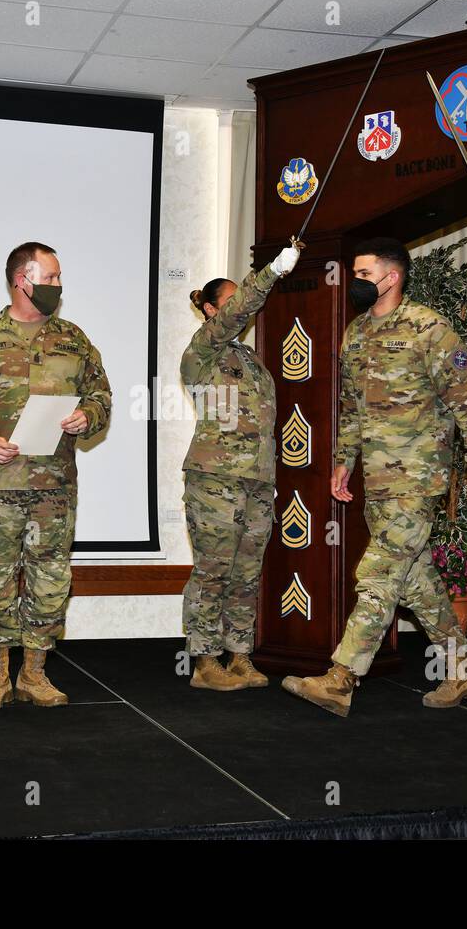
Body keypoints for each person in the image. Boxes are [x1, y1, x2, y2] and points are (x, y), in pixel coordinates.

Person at [282, 238, 467, 717]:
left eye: (363, 274)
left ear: (391, 276)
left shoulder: (430, 329)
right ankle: (463, 669)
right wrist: (344, 460)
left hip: (419, 477)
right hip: (378, 479)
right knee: (415, 580)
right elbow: (350, 405)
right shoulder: (356, 332)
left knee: (378, 575)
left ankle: (341, 679)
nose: (355, 283)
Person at [0, 241, 112, 710]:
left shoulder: (74, 340)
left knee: (50, 578)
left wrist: (86, 417)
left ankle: (34, 673)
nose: (58, 286)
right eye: (51, 278)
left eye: (58, 278)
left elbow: (101, 397)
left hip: (53, 486)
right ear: (22, 280)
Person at [180, 244, 300, 691]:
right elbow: (235, 315)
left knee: (247, 573)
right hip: (215, 480)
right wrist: (270, 273)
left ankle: (240, 656)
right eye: (229, 302)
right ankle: (205, 661)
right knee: (213, 569)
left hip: (256, 480)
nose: (239, 310)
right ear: (211, 310)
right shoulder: (202, 352)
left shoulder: (251, 360)